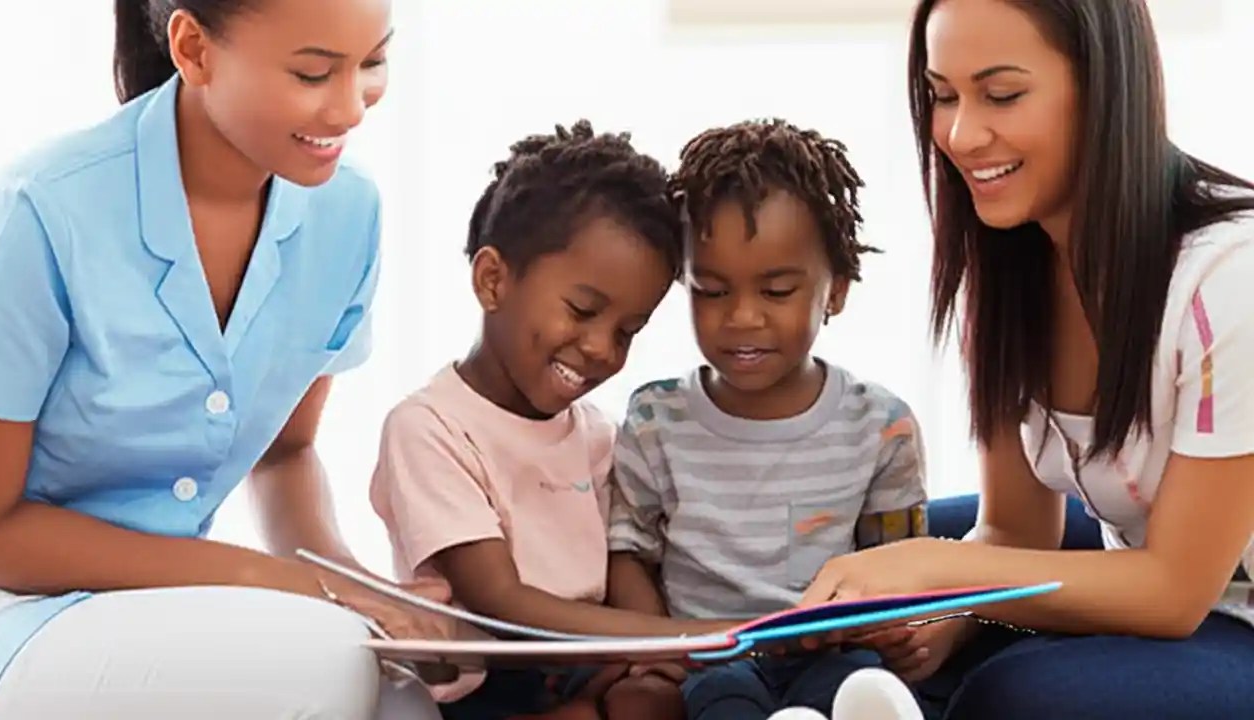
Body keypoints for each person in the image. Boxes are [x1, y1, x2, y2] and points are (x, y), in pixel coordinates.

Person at [0, 1, 455, 718]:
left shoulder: (348, 217)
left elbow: (285, 455)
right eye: (315, 72)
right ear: (194, 49)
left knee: (404, 701)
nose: (352, 108)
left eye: (373, 63)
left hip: (182, 610)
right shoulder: (43, 211)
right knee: (319, 672)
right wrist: (281, 585)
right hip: (5, 611)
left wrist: (361, 589)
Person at [800, 1, 1254, 718]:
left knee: (1016, 690)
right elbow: (1015, 528)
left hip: (1225, 600)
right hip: (1138, 550)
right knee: (865, 550)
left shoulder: (1230, 277)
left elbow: (1176, 593)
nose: (959, 133)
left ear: (1107, 87)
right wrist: (951, 617)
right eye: (943, 94)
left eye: (1002, 95)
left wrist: (941, 572)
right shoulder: (1013, 258)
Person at [369, 120, 730, 720]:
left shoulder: (596, 434)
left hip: (586, 664)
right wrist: (688, 637)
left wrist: (656, 647)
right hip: (486, 683)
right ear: (493, 280)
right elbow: (498, 603)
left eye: (627, 331)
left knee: (654, 701)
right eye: (582, 310)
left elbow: (624, 563)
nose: (601, 349)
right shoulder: (430, 428)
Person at [604, 118, 930, 720]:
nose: (743, 317)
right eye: (712, 290)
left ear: (836, 291)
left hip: (831, 654)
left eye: (777, 292)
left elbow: (897, 564)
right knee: (722, 702)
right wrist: (662, 642)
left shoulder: (881, 425)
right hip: (712, 659)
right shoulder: (656, 419)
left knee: (862, 686)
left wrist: (890, 625)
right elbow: (628, 554)